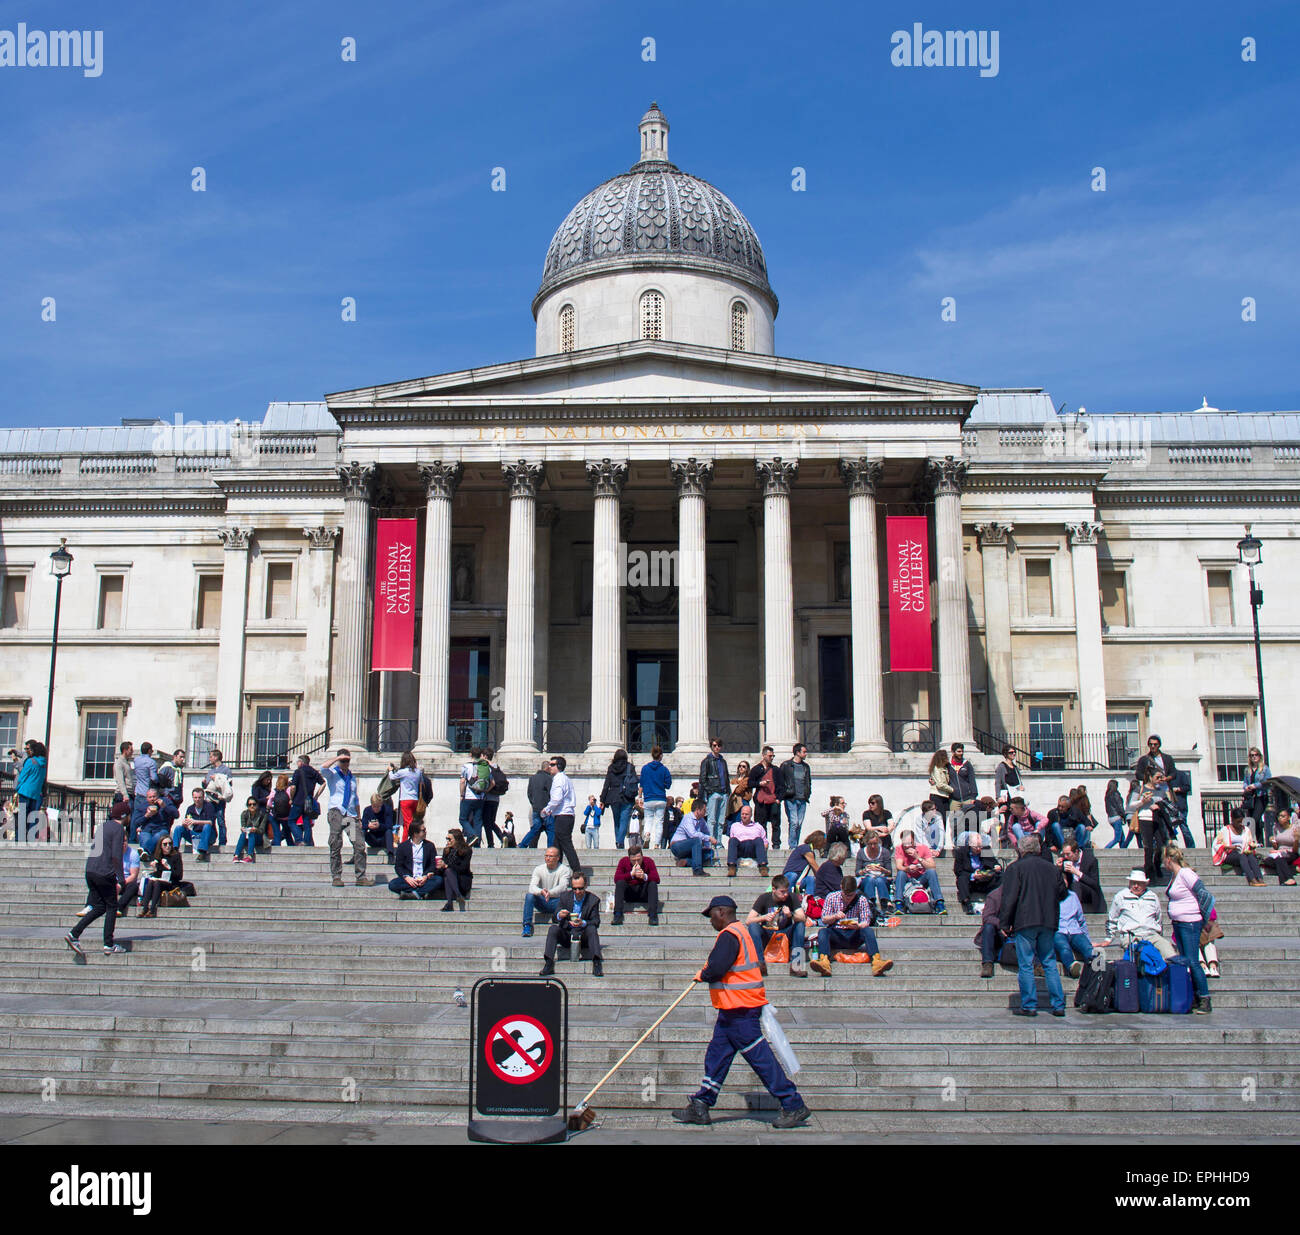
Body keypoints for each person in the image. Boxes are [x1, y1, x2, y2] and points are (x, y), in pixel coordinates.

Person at [672, 895, 810, 1129]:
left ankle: (793, 1103)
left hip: (741, 1010)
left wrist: (703, 974)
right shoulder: (742, 931)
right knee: (716, 1056)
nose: (710, 920)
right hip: (732, 1009)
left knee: (761, 1060)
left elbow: (716, 968)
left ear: (722, 913)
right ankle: (701, 1104)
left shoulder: (729, 935)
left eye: (711, 915)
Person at [998, 835, 1068, 1017]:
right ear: (1037, 849)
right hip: (1048, 920)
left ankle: (1029, 1004)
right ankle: (1058, 1004)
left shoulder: (1016, 868)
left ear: (1021, 850)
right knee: (1049, 962)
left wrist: (1004, 923)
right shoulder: (1052, 869)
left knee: (1026, 964)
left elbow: (1009, 898)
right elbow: (1063, 892)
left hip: (1026, 920)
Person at [65, 803, 127, 954]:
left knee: (99, 906)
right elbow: (116, 856)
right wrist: (121, 878)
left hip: (91, 871)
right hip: (104, 873)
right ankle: (108, 944)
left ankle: (74, 934)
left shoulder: (103, 826)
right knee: (112, 906)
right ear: (125, 816)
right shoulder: (119, 829)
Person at [809, 876, 894, 977]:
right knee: (823, 932)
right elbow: (824, 919)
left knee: (868, 931)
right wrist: (835, 916)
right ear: (841, 888)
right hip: (837, 933)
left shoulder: (861, 899)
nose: (848, 897)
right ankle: (823, 961)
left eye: (851, 895)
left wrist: (858, 926)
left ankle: (877, 961)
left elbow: (866, 921)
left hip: (854, 934)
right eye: (846, 894)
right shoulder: (831, 897)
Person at [1164, 847, 1213, 1013]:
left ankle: (1205, 999)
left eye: (1164, 860)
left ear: (1169, 860)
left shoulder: (1186, 873)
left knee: (1192, 960)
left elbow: (1204, 894)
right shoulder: (1175, 876)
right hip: (1179, 922)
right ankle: (1194, 996)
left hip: (1190, 923)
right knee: (1185, 960)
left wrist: (1203, 918)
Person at [321, 749, 373, 888]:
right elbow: (322, 768)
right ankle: (336, 876)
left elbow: (355, 798)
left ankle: (361, 876)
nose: (345, 763)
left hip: (350, 815)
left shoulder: (352, 777)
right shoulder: (333, 773)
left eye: (347, 760)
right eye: (343, 761)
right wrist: (336, 758)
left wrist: (359, 816)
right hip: (337, 811)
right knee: (336, 844)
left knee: (359, 845)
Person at [539, 870, 604, 976]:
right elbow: (555, 917)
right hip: (567, 933)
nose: (577, 891)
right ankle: (549, 963)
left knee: (592, 929)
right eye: (574, 889)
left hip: (583, 936)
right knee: (553, 929)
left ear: (585, 886)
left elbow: (596, 921)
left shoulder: (593, 900)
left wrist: (582, 923)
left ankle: (596, 963)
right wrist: (560, 915)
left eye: (580, 888)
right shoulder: (565, 897)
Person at [1101, 869, 1176, 959]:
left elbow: (1158, 918)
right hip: (1131, 936)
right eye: (1133, 883)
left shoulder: (1153, 897)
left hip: (1151, 934)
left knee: (1169, 952)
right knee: (1140, 953)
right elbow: (1112, 918)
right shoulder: (1120, 896)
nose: (1136, 886)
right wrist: (1109, 938)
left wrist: (1159, 935)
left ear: (1145, 884)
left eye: (1139, 883)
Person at [747, 874, 808, 976]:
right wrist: (763, 917)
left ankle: (796, 965)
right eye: (782, 892)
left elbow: (803, 918)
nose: (785, 895)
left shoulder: (792, 897)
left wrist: (791, 915)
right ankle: (760, 964)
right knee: (753, 926)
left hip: (785, 933)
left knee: (800, 925)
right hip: (768, 933)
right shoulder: (764, 898)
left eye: (786, 891)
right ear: (774, 889)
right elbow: (748, 920)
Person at [138, 836, 196, 917]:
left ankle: (152, 910)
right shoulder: (158, 856)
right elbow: (158, 874)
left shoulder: (176, 856)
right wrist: (155, 869)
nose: (168, 846)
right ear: (161, 846)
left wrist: (168, 867)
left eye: (170, 844)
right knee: (151, 882)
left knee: (157, 883)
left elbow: (179, 876)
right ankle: (145, 909)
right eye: (165, 844)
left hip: (172, 883)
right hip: (161, 882)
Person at [522, 846, 572, 937]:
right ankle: (527, 926)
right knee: (529, 896)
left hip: (557, 902)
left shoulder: (565, 870)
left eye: (551, 856)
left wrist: (550, 893)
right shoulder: (539, 869)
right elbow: (532, 887)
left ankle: (564, 925)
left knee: (568, 897)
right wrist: (541, 892)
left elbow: (563, 887)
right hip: (542, 900)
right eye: (546, 856)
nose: (548, 858)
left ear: (558, 858)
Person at [892, 830, 946, 914]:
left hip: (921, 877)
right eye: (905, 844)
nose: (907, 846)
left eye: (910, 843)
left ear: (914, 841)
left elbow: (932, 866)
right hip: (908, 878)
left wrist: (918, 857)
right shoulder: (899, 848)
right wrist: (908, 869)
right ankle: (899, 903)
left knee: (931, 872)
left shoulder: (923, 848)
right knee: (901, 873)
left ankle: (939, 903)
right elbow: (899, 866)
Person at [389, 821, 444, 900]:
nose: (425, 832)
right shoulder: (403, 846)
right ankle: (421, 892)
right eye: (423, 830)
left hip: (424, 879)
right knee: (393, 884)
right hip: (410, 879)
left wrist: (425, 876)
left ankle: (416, 894)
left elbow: (432, 864)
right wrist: (407, 877)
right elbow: (398, 867)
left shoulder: (429, 846)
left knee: (438, 880)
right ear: (415, 833)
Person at [1052, 880, 1096, 977]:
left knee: (1088, 948)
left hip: (1075, 930)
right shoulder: (1050, 896)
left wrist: (1087, 937)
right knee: (1064, 948)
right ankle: (1071, 967)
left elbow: (1081, 919)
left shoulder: (1073, 896)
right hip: (1059, 930)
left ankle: (1097, 968)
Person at [1213, 807, 1265, 885]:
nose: (1240, 824)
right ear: (1233, 820)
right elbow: (1217, 844)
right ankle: (1252, 879)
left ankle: (1259, 878)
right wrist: (1230, 847)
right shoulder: (1225, 830)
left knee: (1250, 856)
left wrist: (1252, 845)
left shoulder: (1246, 830)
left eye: (1242, 821)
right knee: (1242, 856)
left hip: (1243, 852)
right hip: (1229, 853)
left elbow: (1250, 841)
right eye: (1238, 821)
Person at [953, 833, 1003, 914]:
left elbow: (994, 863)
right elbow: (958, 871)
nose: (979, 849)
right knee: (961, 879)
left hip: (985, 880)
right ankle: (967, 904)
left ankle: (998, 902)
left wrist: (997, 867)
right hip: (971, 881)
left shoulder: (985, 850)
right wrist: (973, 876)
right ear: (970, 845)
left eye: (980, 847)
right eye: (976, 847)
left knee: (1000, 877)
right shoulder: (961, 852)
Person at [613, 843, 660, 925]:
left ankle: (653, 915)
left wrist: (644, 876)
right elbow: (616, 878)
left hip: (643, 892)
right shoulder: (623, 861)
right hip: (629, 893)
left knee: (652, 884)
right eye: (633, 860)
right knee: (620, 882)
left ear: (642, 856)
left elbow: (657, 878)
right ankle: (617, 914)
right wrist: (631, 874)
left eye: (638, 859)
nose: (636, 862)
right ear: (629, 859)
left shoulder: (648, 861)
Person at [779, 743, 813, 848]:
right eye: (804, 752)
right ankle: (792, 846)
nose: (806, 754)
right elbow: (781, 781)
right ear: (797, 753)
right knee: (794, 822)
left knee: (799, 823)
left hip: (802, 798)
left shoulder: (806, 767)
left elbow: (808, 781)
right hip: (791, 798)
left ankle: (796, 844)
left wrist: (808, 792)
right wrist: (783, 794)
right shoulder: (786, 765)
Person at [747, 745, 782, 848]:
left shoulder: (776, 770)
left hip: (773, 800)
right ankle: (762, 842)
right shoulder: (756, 769)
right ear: (763, 755)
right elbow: (750, 783)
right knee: (761, 824)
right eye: (770, 755)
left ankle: (776, 844)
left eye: (773, 756)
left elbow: (781, 786)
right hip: (761, 800)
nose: (771, 758)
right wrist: (759, 783)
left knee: (775, 823)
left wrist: (779, 798)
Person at [14, 738, 47, 843]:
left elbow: (22, 777)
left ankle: (20, 838)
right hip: (36, 793)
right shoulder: (43, 764)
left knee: (23, 816)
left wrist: (17, 789)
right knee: (32, 816)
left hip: (25, 791)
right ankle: (31, 838)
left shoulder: (30, 761)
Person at [698, 737, 730, 844]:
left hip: (723, 792)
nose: (716, 748)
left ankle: (719, 842)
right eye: (714, 745)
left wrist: (728, 791)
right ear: (711, 746)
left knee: (721, 821)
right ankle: (711, 842)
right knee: (711, 820)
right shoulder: (706, 761)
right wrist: (710, 790)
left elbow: (726, 777)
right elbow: (702, 778)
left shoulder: (723, 761)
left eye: (718, 746)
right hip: (713, 793)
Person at [639, 745, 672, 848]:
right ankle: (657, 843)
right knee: (659, 822)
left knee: (648, 819)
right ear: (661, 755)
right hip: (660, 798)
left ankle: (647, 834)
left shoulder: (645, 768)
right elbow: (668, 785)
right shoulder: (664, 769)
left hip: (648, 798)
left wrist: (640, 798)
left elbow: (641, 785)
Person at [671, 800, 715, 875]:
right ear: (698, 810)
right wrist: (709, 838)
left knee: (709, 853)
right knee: (696, 840)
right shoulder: (688, 818)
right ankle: (697, 869)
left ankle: (687, 861)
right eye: (704, 810)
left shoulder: (702, 820)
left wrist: (707, 846)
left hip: (691, 848)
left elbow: (706, 832)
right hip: (678, 846)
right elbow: (693, 834)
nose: (705, 812)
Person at [173, 786, 218, 861]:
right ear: (193, 798)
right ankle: (174, 850)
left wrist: (195, 822)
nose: (197, 800)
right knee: (178, 828)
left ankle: (202, 852)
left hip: (209, 835)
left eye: (199, 797)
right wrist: (185, 825)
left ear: (203, 797)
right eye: (195, 797)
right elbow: (188, 824)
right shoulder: (190, 808)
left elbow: (210, 822)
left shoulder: (209, 806)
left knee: (207, 826)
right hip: (195, 835)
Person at [854, 831, 894, 913]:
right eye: (870, 844)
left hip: (881, 877)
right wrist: (864, 870)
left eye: (875, 844)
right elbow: (857, 872)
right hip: (867, 877)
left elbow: (889, 872)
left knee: (879, 880)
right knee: (870, 880)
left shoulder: (884, 852)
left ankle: (884, 902)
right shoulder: (861, 852)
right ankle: (870, 902)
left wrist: (883, 870)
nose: (872, 846)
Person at [389, 751, 424, 843]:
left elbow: (392, 777)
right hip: (415, 799)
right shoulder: (418, 772)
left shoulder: (402, 772)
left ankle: (413, 839)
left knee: (408, 822)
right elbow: (422, 782)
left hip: (405, 799)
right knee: (406, 822)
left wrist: (390, 770)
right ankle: (404, 841)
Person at [726, 804, 769, 876]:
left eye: (746, 814)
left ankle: (763, 867)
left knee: (759, 839)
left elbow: (765, 843)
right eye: (742, 814)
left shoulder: (758, 826)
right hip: (740, 849)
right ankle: (732, 867)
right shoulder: (735, 826)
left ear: (751, 815)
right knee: (732, 840)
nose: (744, 816)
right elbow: (732, 842)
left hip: (753, 849)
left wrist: (762, 851)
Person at [521, 758, 555, 849]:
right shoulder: (549, 779)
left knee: (535, 828)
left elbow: (529, 793)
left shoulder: (532, 778)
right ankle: (551, 848)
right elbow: (551, 794)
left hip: (535, 807)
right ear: (547, 768)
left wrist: (534, 803)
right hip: (546, 809)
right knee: (551, 830)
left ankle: (522, 844)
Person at [457, 746, 488, 843]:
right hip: (480, 797)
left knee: (463, 819)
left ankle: (472, 835)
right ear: (480, 755)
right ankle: (477, 843)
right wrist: (485, 791)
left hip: (469, 797)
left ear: (471, 754)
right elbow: (492, 782)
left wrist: (461, 795)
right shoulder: (485, 766)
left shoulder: (466, 766)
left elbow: (462, 781)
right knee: (478, 821)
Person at [948, 742, 979, 839]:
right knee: (955, 822)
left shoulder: (967, 764)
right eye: (958, 751)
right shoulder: (948, 765)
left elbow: (972, 780)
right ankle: (956, 840)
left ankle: (970, 841)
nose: (961, 753)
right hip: (954, 799)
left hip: (967, 797)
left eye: (962, 751)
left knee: (969, 820)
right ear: (953, 752)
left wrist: (973, 796)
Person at [129, 741, 158, 841]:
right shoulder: (151, 762)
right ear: (149, 750)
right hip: (148, 793)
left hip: (138, 792)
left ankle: (132, 838)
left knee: (135, 817)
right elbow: (154, 778)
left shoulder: (136, 760)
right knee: (151, 815)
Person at [974, 884, 1005, 978]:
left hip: (1016, 932)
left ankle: (1037, 964)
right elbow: (987, 917)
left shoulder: (1023, 894)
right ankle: (987, 963)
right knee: (988, 927)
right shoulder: (995, 895)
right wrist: (1003, 926)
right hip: (998, 933)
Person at [136, 788, 178, 857]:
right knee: (143, 835)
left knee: (159, 835)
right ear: (147, 798)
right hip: (147, 830)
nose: (152, 799)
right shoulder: (143, 806)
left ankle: (145, 851)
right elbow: (136, 822)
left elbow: (176, 815)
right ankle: (145, 854)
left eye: (154, 796)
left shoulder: (165, 802)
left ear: (158, 796)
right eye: (150, 797)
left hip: (161, 830)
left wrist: (164, 807)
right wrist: (147, 816)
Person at [1243, 746, 1272, 842]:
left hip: (1261, 796)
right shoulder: (1248, 770)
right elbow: (1245, 782)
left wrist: (1255, 786)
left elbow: (1267, 782)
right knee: (1252, 820)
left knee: (1256, 818)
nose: (1254, 757)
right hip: (1251, 798)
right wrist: (1246, 787)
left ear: (1260, 756)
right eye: (1252, 755)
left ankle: (1259, 841)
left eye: (1256, 755)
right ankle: (1258, 841)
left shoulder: (1264, 769)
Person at [440, 828, 472, 911]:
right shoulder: (446, 850)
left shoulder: (466, 850)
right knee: (447, 874)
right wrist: (440, 866)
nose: (448, 841)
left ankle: (450, 903)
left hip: (462, 879)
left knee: (448, 872)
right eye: (447, 839)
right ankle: (458, 895)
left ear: (457, 840)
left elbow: (463, 868)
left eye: (450, 839)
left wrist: (448, 866)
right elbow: (444, 868)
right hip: (450, 878)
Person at [1263, 807, 1298, 885]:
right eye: (1279, 816)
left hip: (1290, 852)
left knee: (1279, 859)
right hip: (1278, 852)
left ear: (1288, 817)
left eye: (1283, 816)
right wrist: (1273, 842)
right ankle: (1291, 870)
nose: (1280, 818)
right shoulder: (1276, 827)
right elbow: (1276, 846)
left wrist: (1296, 840)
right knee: (1268, 861)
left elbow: (1295, 850)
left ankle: (1289, 879)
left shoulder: (1294, 828)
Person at [479, 748, 505, 847]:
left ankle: (491, 843)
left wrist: (485, 790)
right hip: (496, 798)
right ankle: (502, 837)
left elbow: (490, 782)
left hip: (488, 798)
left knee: (486, 822)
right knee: (491, 821)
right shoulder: (496, 767)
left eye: (481, 756)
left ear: (485, 756)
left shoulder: (486, 767)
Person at [233, 796, 266, 863]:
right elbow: (243, 826)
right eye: (250, 804)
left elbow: (262, 830)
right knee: (243, 834)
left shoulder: (262, 815)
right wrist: (243, 828)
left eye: (254, 804)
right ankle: (236, 856)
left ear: (257, 805)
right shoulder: (244, 814)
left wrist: (255, 829)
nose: (252, 806)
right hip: (247, 837)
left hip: (258, 837)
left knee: (251, 833)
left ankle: (250, 856)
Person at [1103, 778, 1132, 848]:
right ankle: (1106, 848)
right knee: (1117, 838)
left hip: (1110, 817)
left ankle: (1123, 850)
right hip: (1116, 817)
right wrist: (1124, 816)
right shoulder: (1115, 794)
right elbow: (1119, 806)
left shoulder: (1107, 795)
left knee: (1122, 837)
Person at [268, 774, 295, 846]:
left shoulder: (274, 791)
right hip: (285, 816)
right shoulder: (288, 790)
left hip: (274, 815)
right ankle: (291, 846)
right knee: (287, 832)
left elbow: (269, 803)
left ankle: (277, 847)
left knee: (276, 832)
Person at [927, 750, 953, 821]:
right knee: (940, 818)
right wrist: (952, 790)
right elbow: (940, 784)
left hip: (945, 796)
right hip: (937, 795)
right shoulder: (936, 768)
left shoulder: (946, 768)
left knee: (945, 819)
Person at [727, 761, 752, 830]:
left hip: (743, 802)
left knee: (742, 822)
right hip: (734, 802)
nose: (741, 768)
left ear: (747, 769)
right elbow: (730, 787)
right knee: (732, 823)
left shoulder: (748, 779)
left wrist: (735, 786)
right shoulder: (734, 779)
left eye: (744, 767)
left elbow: (739, 790)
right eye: (740, 766)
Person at [113, 740, 135, 805]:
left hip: (130, 793)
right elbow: (120, 780)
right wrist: (125, 794)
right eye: (130, 750)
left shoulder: (126, 763)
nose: (132, 752)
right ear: (125, 750)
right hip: (122, 795)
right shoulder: (119, 763)